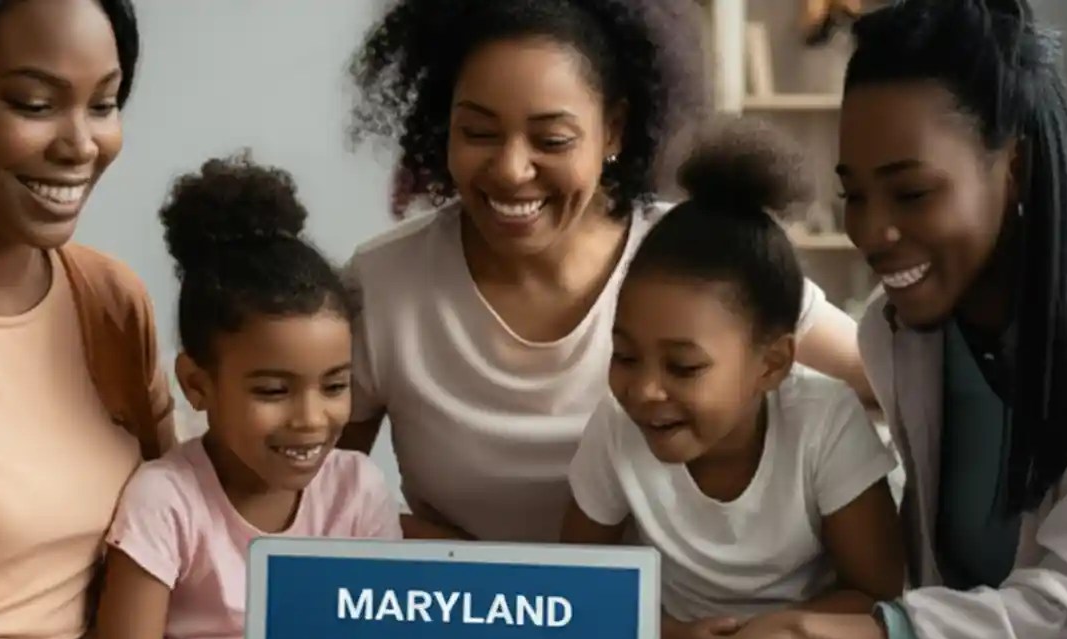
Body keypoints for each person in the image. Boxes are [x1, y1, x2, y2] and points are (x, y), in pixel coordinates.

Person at [659, 1, 1067, 639]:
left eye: (912, 192)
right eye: (854, 194)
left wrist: (795, 634)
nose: (872, 231)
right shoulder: (900, 332)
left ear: (1016, 167)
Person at [342, 0, 872, 543]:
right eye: (478, 132)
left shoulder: (701, 255)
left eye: (551, 141)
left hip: (672, 620)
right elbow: (311, 495)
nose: (511, 169)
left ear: (613, 130)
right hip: (465, 617)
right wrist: (450, 562)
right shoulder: (385, 283)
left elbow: (883, 380)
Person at [0, 0, 228, 639]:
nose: (81, 144)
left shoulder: (110, 301)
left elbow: (173, 529)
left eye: (104, 104)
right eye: (35, 103)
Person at [560, 118, 904, 639]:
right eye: (625, 356)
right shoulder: (616, 428)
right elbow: (575, 588)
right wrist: (668, 638)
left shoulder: (824, 423)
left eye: (683, 366)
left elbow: (880, 596)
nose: (645, 389)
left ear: (772, 365)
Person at [89, 155, 403, 639]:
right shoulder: (166, 500)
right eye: (273, 391)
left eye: (334, 385)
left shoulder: (357, 491)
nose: (311, 418)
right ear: (197, 385)